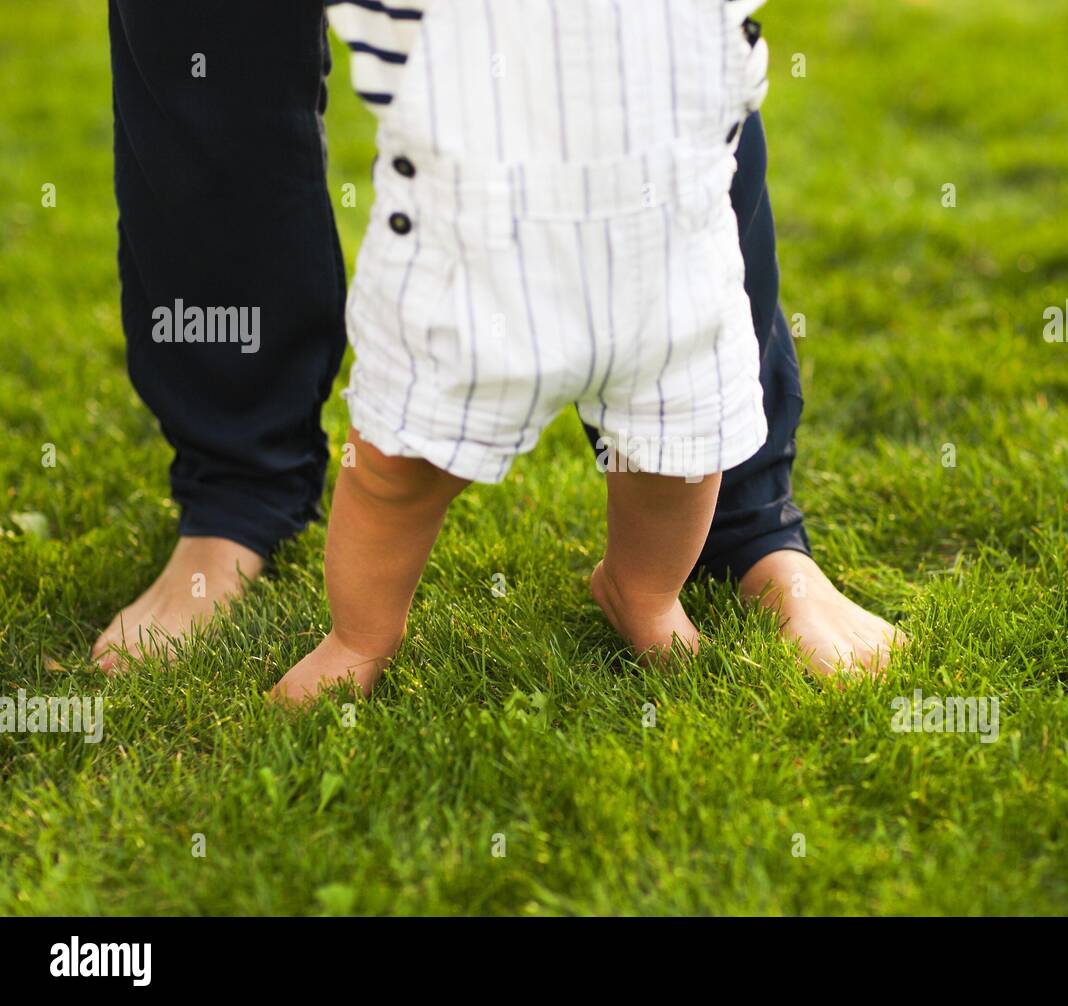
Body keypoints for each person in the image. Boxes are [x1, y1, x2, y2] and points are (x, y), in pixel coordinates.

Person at [97, 0, 905, 680]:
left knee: (686, 442)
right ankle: (339, 613)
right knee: (398, 467)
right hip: (464, 226)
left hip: (671, 228)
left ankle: (672, 572)